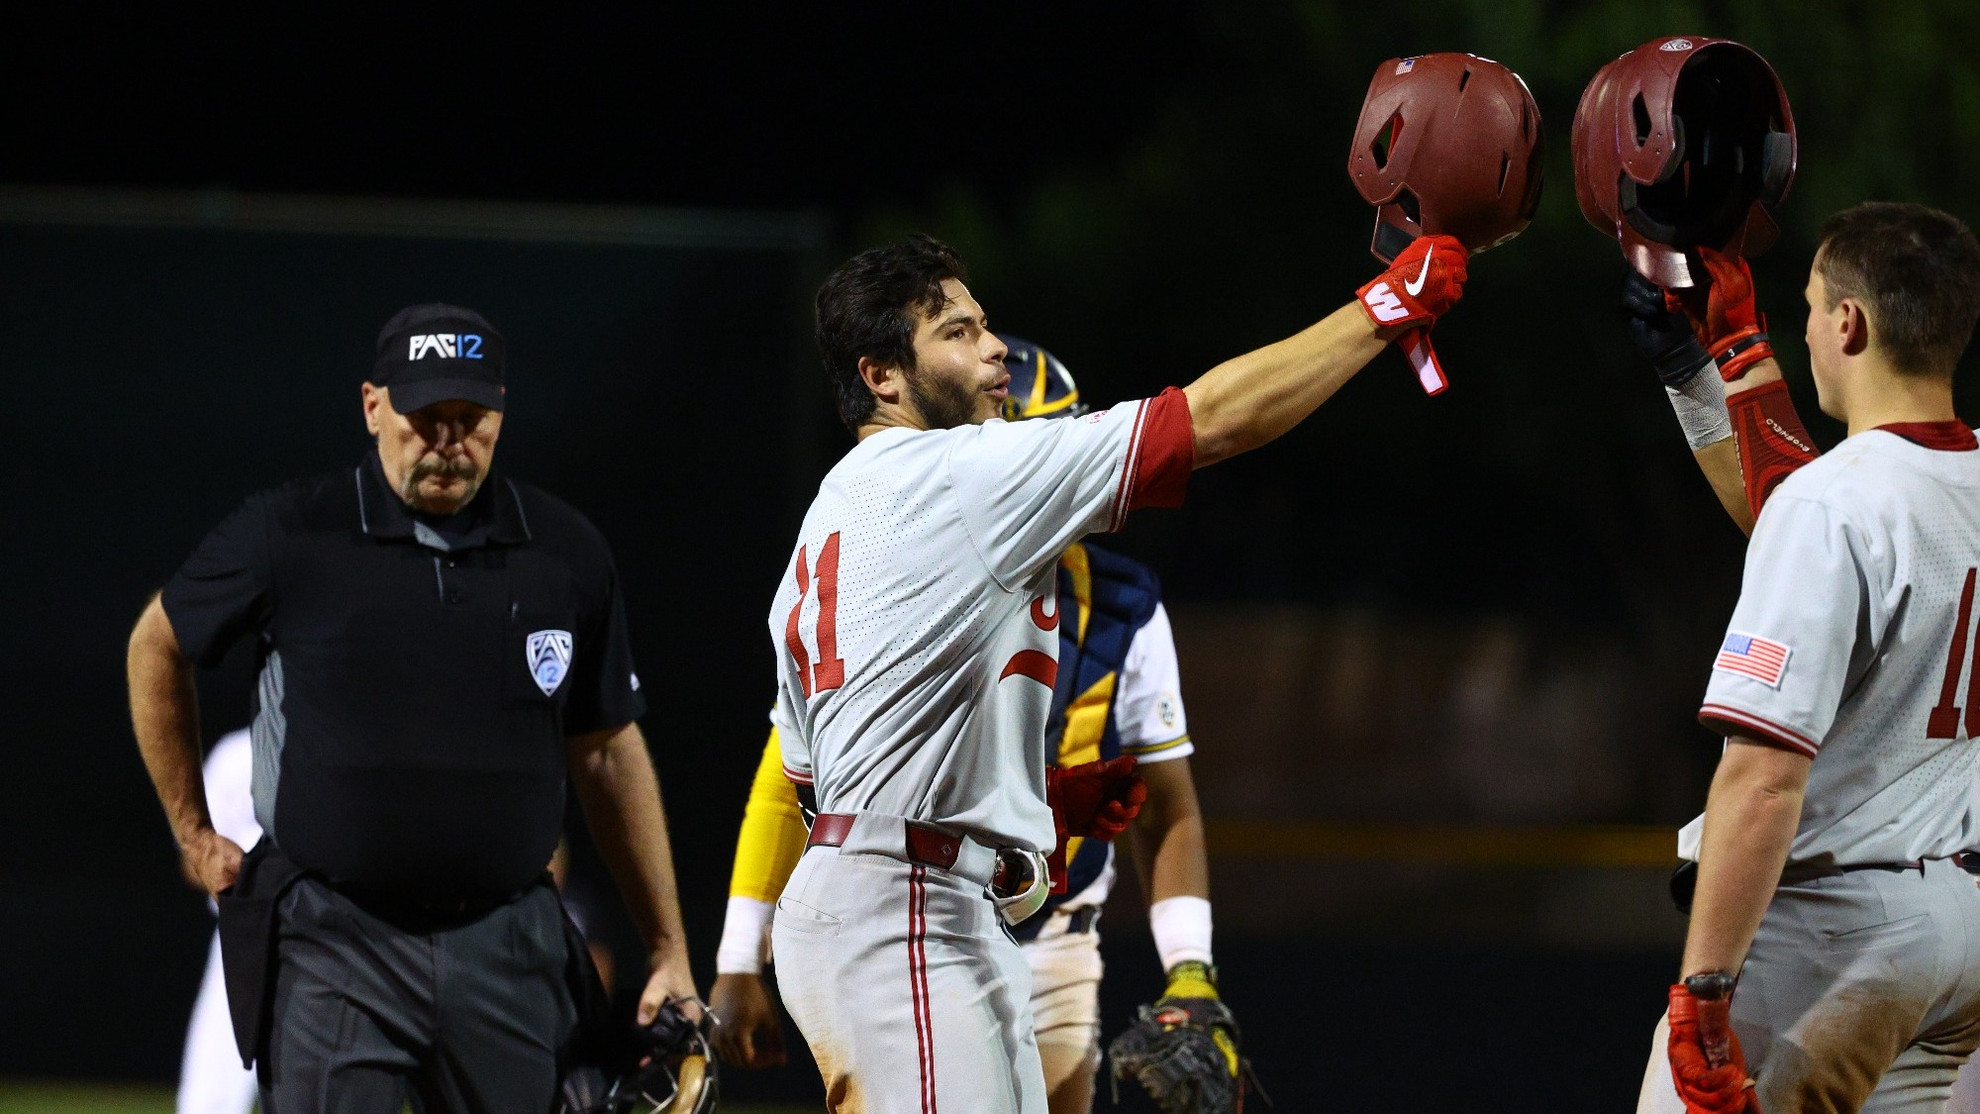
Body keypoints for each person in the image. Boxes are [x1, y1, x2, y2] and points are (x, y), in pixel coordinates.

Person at [766, 232, 1468, 1112]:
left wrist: (1011, 816)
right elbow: (1212, 419)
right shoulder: (962, 474)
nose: (993, 348)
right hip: (906, 915)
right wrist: (1384, 308)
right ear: (881, 375)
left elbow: (813, 783)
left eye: (985, 323)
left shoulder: (825, 522)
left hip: (907, 902)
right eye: (956, 331)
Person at [127, 303, 696, 1114]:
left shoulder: (564, 552)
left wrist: (668, 946)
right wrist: (191, 829)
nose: (447, 439)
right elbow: (157, 644)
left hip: (507, 946)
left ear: (501, 412)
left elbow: (607, 749)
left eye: (471, 418)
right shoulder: (291, 532)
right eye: (423, 416)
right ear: (372, 405)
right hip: (335, 947)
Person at [712, 339, 1230, 1114]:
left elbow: (1169, 803)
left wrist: (1190, 965)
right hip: (913, 907)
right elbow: (795, 783)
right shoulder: (895, 568)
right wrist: (735, 956)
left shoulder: (1122, 604)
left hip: (1040, 920)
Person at [1621, 203, 1980, 1112]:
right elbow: (1818, 509)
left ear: (1851, 324)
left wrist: (1704, 994)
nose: (1808, 321)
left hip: (1834, 934)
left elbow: (1763, 784)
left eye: (1814, 304)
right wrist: (1711, 367)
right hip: (1961, 938)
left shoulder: (1832, 506)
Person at [177, 729, 260, 1114]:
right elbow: (193, 860)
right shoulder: (236, 754)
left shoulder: (340, 743)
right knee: (209, 1103)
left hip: (329, 940)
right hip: (241, 944)